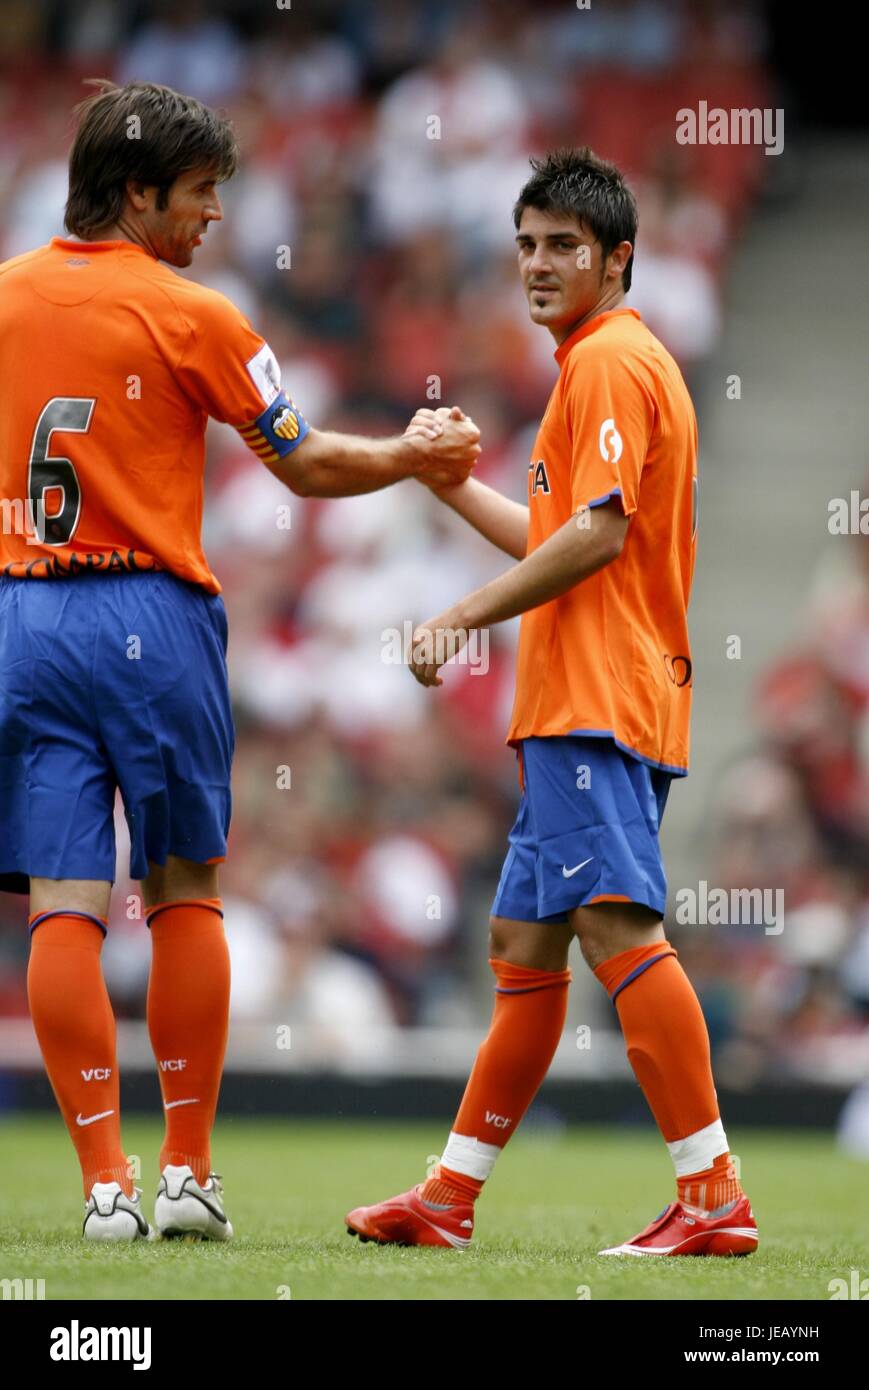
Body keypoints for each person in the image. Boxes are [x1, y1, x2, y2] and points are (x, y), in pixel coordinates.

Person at [0, 79, 480, 1242]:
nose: (215, 214)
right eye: (202, 192)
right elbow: (305, 465)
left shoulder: (5, 297)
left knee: (64, 905)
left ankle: (104, 1186)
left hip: (24, 616)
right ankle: (189, 1172)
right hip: (149, 617)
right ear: (137, 192)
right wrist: (414, 454)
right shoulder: (192, 314)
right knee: (180, 890)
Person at [345, 148, 758, 1257]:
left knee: (615, 925)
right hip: (579, 700)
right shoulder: (595, 361)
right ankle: (448, 1196)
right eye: (525, 244)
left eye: (562, 246)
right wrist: (448, 487)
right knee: (523, 948)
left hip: (595, 700)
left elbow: (597, 533)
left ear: (616, 259)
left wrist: (456, 617)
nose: (535, 264)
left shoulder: (610, 361)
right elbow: (558, 531)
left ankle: (710, 1193)